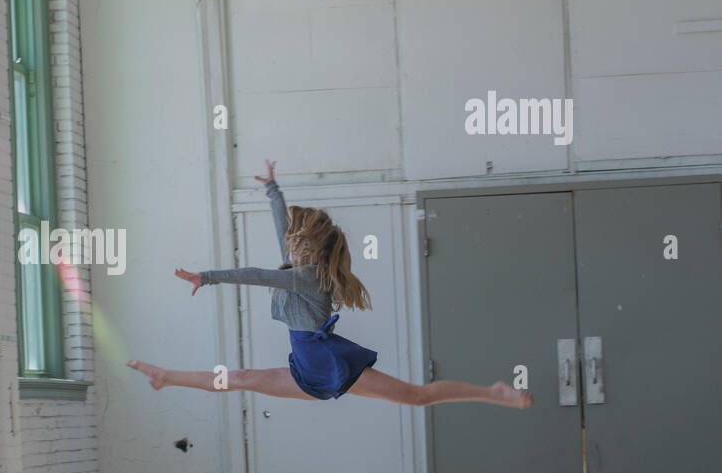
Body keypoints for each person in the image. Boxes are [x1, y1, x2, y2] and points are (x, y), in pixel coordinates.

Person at [127, 159, 534, 408]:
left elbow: (255, 274)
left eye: (297, 240)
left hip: (332, 366)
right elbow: (281, 228)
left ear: (311, 249)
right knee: (241, 379)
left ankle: (494, 392)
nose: (289, 242)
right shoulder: (295, 265)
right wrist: (272, 188)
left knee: (417, 396)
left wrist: (207, 277)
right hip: (307, 372)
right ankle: (166, 376)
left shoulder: (304, 279)